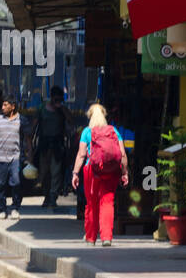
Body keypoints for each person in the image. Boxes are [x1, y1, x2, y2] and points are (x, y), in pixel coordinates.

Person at [71, 103, 128, 246]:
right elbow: (122, 154)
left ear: (90, 116)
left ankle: (91, 237)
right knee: (107, 202)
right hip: (111, 171)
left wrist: (75, 173)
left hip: (91, 169)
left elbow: (81, 154)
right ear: (104, 116)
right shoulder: (114, 131)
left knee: (91, 204)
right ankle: (106, 237)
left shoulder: (86, 132)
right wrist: (124, 172)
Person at [33, 86, 75, 208]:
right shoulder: (42, 109)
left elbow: (71, 121)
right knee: (45, 172)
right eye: (56, 99)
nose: (58, 101)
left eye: (60, 99)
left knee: (56, 172)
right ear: (51, 97)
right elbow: (34, 125)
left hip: (57, 145)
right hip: (44, 144)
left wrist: (62, 109)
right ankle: (46, 195)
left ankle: (53, 196)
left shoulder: (62, 110)